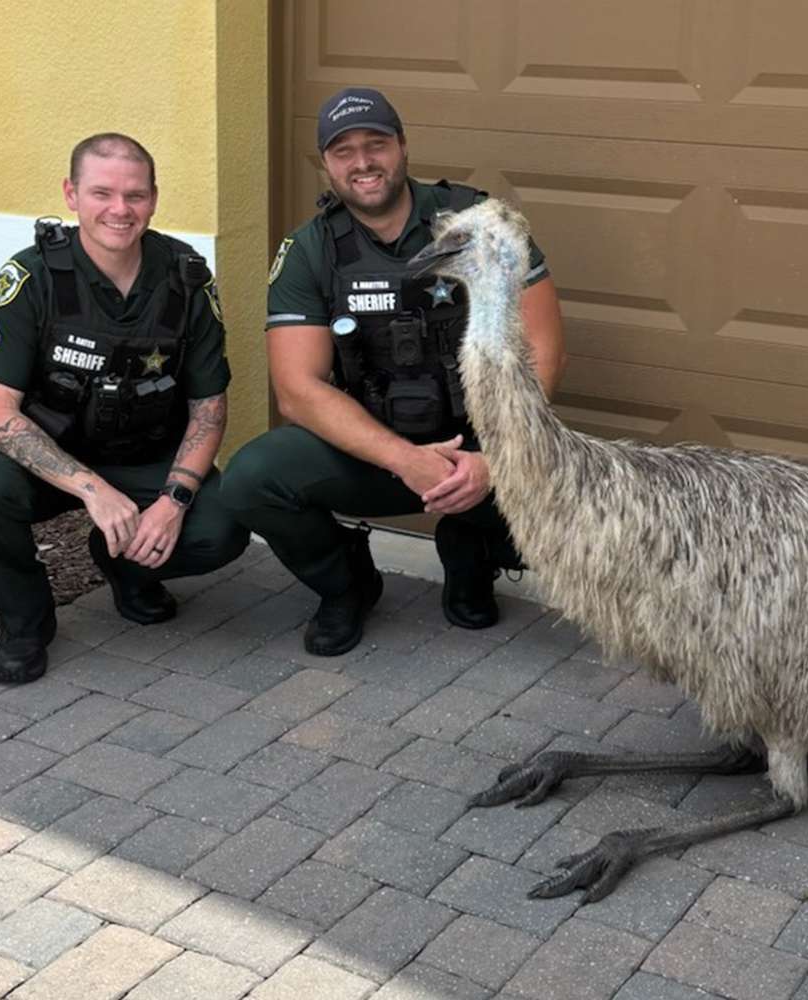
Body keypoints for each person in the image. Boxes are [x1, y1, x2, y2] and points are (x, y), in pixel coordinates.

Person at [221, 87, 565, 656]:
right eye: (343, 151)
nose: (362, 163)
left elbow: (544, 348)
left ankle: (470, 553)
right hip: (376, 451)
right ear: (327, 164)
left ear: (403, 146)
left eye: (376, 144)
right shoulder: (310, 250)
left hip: (482, 445)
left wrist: (494, 461)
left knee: (567, 515)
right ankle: (346, 584)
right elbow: (297, 390)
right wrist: (408, 462)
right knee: (254, 477)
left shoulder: (477, 221)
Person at [0, 133, 249, 685]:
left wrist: (173, 502)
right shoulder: (32, 275)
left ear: (153, 199)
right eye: (102, 192)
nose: (119, 209)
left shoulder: (185, 278)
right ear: (71, 194)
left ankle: (125, 567)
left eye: (134, 195)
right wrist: (92, 489)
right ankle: (25, 621)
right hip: (45, 453)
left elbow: (209, 408)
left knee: (222, 526)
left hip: (142, 451)